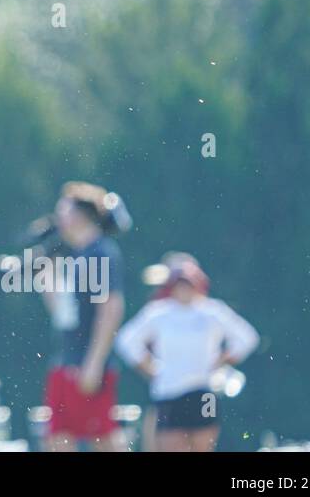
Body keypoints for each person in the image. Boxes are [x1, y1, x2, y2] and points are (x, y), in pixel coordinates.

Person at [116, 256, 258, 451]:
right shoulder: (159, 313)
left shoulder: (211, 311)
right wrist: (148, 366)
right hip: (170, 393)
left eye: (189, 285)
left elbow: (247, 338)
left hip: (203, 392)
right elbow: (126, 340)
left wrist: (222, 360)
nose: (184, 290)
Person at [39, 182, 129, 451]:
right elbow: (64, 314)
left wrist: (95, 361)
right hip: (67, 359)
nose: (58, 218)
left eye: (63, 211)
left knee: (102, 437)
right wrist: (45, 271)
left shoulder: (101, 251)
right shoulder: (77, 255)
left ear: (81, 214)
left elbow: (111, 307)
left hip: (88, 362)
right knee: (58, 435)